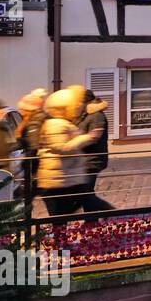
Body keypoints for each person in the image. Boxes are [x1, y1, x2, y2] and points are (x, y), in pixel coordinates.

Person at [36, 88, 103, 216]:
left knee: (69, 209)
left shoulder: (62, 122)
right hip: (58, 176)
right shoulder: (56, 124)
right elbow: (62, 148)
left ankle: (109, 217)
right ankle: (111, 217)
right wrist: (88, 137)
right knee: (63, 213)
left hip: (65, 175)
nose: (78, 108)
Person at [74, 87, 112, 211]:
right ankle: (94, 218)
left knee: (85, 192)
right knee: (85, 192)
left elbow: (94, 137)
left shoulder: (96, 116)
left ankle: (104, 212)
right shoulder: (86, 114)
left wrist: (74, 142)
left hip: (91, 160)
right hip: (85, 160)